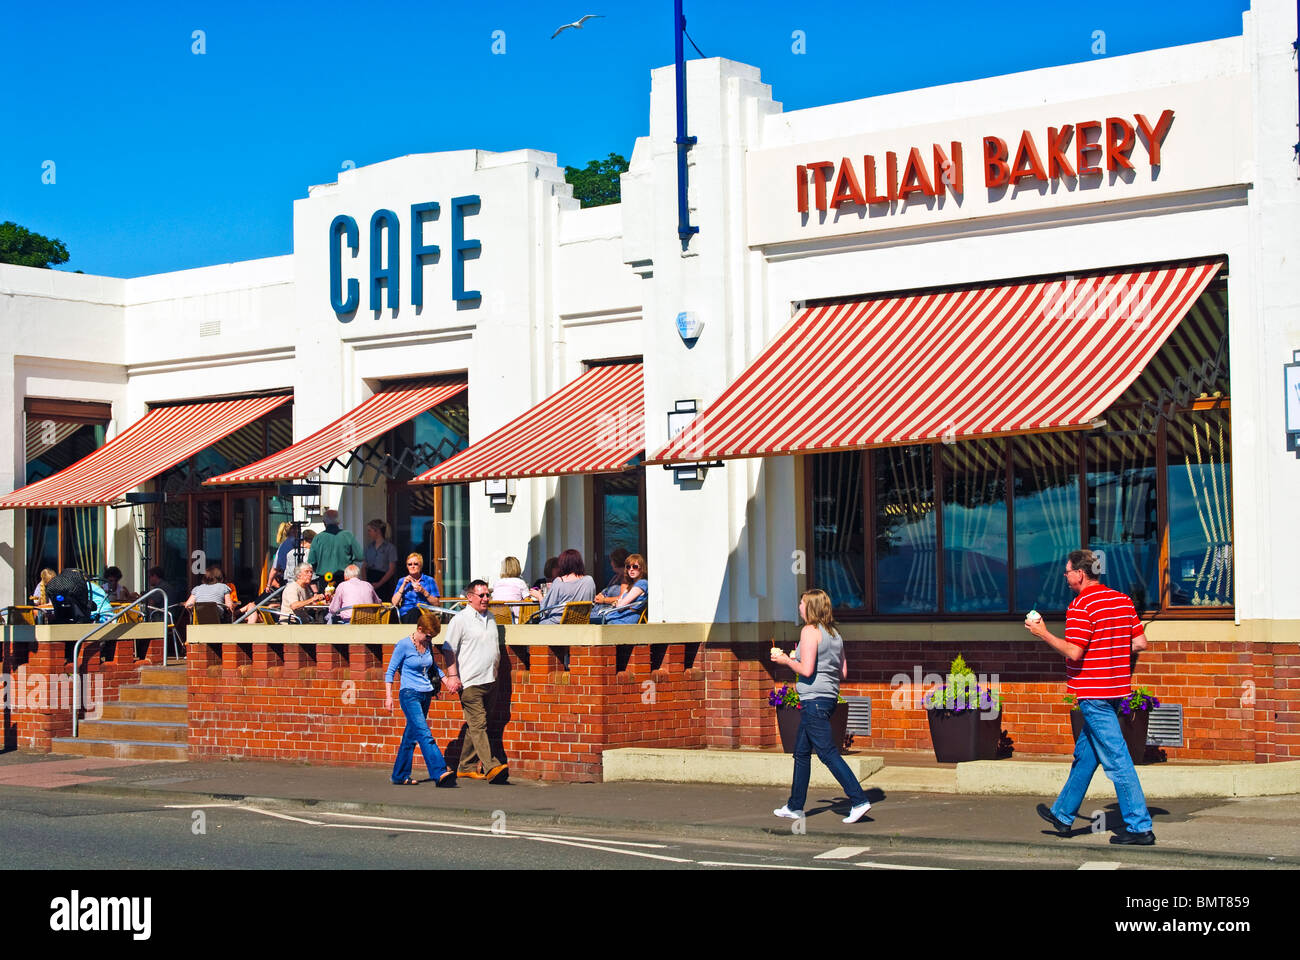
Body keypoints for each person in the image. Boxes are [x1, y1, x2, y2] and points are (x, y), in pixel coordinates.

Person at [1026, 549, 1155, 845]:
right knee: (1086, 755)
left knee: (1118, 759)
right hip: (1116, 691)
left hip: (1092, 693)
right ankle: (1063, 814)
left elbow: (1074, 651)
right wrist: (1111, 651)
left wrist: (1042, 632)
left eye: (1068, 571)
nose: (1065, 576)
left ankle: (1139, 827)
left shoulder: (1081, 605)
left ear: (1081, 574)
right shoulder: (1122, 600)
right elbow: (1140, 643)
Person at [770, 588, 872, 825]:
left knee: (827, 753)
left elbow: (806, 670)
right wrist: (800, 658)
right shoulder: (835, 634)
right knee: (802, 753)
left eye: (802, 603)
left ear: (812, 607)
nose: (799, 607)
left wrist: (786, 660)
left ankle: (859, 800)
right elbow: (843, 671)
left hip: (813, 700)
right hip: (827, 698)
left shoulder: (809, 631)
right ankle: (795, 806)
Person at [442, 580, 508, 783]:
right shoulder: (460, 620)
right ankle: (492, 766)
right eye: (481, 595)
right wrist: (453, 676)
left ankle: (465, 766)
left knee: (475, 725)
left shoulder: (491, 617)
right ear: (470, 597)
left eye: (487, 595)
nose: (486, 599)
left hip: (490, 680)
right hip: (470, 682)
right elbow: (448, 648)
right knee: (479, 725)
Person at [384, 611, 456, 787]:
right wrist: (389, 696)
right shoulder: (403, 645)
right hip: (409, 694)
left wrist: (446, 680)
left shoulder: (427, 643)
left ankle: (399, 775)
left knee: (411, 736)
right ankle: (439, 772)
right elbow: (390, 671)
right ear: (419, 628)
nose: (430, 639)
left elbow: (433, 667)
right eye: (428, 636)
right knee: (424, 734)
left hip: (425, 694)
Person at [536, 549, 596, 624]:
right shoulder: (589, 580)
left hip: (557, 623)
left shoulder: (559, 581)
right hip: (580, 623)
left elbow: (546, 609)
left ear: (562, 564)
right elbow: (592, 603)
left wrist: (539, 596)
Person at [307, 508, 364, 585]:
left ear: (324, 522)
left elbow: (312, 561)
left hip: (325, 578)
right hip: (345, 577)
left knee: (327, 596)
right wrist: (349, 559)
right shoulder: (347, 535)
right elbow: (360, 556)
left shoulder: (318, 538)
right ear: (338, 522)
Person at [591, 553, 648, 625]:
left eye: (635, 567)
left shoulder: (642, 583)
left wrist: (617, 603)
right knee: (586, 618)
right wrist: (618, 603)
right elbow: (618, 602)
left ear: (641, 568)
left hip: (624, 618)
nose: (631, 569)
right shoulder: (631, 585)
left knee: (586, 620)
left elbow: (620, 606)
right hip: (615, 615)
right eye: (628, 567)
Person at [392, 553, 441, 624]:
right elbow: (394, 603)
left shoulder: (429, 580)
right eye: (410, 564)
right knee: (413, 612)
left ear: (420, 566)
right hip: (407, 613)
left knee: (416, 612)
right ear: (407, 566)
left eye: (415, 564)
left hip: (424, 613)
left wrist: (423, 591)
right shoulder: (402, 581)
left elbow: (436, 603)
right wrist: (403, 585)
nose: (412, 566)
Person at [364, 519, 399, 594]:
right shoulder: (369, 547)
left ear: (377, 531)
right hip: (370, 578)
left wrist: (379, 584)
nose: (368, 533)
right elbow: (364, 566)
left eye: (370, 531)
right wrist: (365, 583)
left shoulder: (390, 548)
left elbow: (392, 569)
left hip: (383, 581)